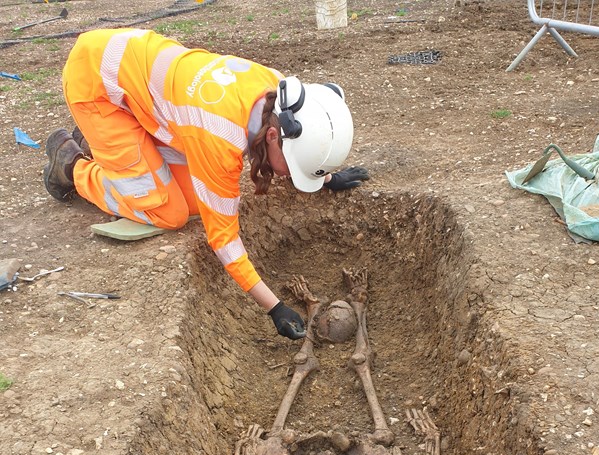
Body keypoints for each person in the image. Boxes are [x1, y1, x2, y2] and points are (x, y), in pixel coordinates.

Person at [42, 29, 369, 340]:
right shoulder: (220, 139)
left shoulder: (279, 93)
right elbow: (223, 239)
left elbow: (296, 146)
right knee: (168, 211)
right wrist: (275, 307)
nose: (289, 176)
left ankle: (109, 143)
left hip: (138, 77)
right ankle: (72, 166)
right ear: (273, 136)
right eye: (294, 168)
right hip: (96, 83)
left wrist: (322, 175)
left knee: (197, 202)